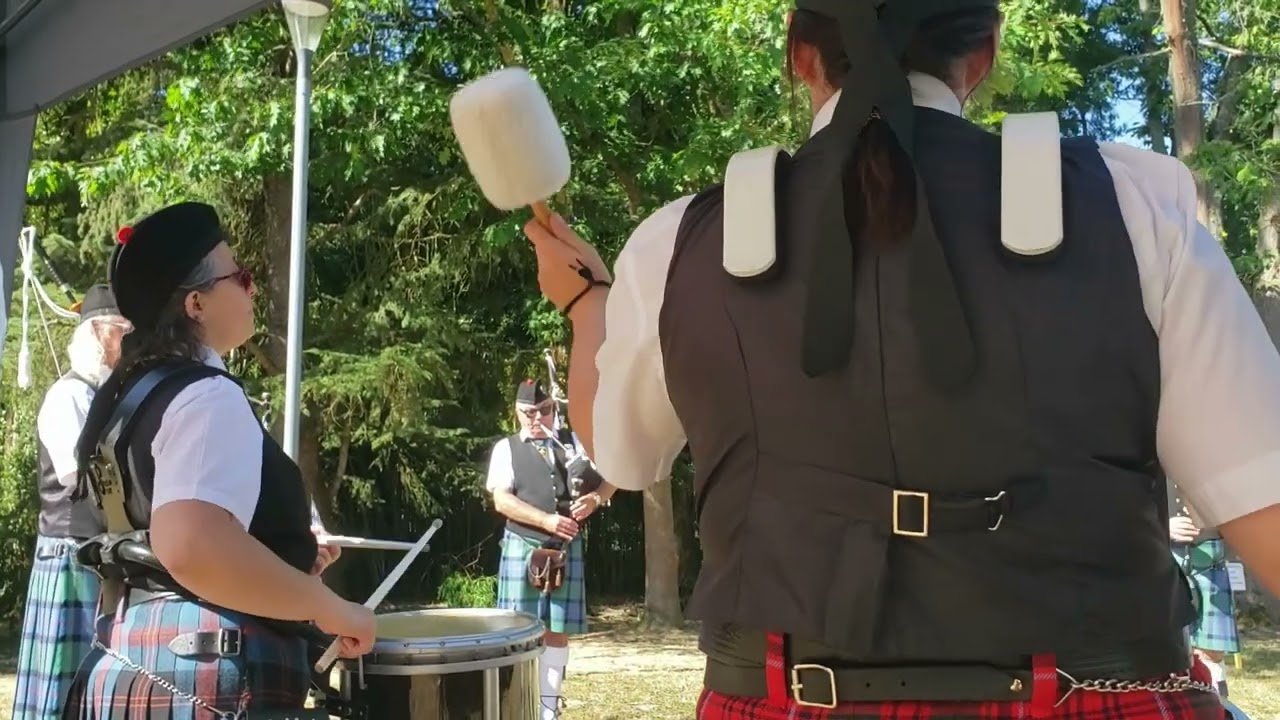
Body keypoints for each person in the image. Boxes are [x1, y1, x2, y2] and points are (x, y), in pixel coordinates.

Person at [522, 1, 1280, 718]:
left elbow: (620, 453)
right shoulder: (1135, 210)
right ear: (983, 53)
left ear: (800, 54)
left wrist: (587, 303)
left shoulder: (677, 245)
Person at [64, 201, 374, 718]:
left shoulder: (130, 395)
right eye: (240, 277)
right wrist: (329, 607)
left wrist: (288, 556)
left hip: (132, 650)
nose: (251, 288)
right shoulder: (207, 395)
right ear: (196, 304)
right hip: (206, 662)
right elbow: (192, 546)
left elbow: (156, 539)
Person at [10, 286, 129, 720]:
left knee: (90, 685)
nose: (129, 341)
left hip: (91, 554)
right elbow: (77, 475)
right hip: (68, 553)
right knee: (60, 690)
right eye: (122, 331)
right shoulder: (69, 396)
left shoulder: (99, 397)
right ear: (97, 333)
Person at [486, 379, 612, 720]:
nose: (536, 419)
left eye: (543, 411)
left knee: (556, 632)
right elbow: (501, 500)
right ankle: (515, 709)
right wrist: (546, 521)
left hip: (565, 550)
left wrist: (596, 498)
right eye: (528, 413)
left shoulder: (575, 443)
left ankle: (547, 711)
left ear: (554, 409)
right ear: (517, 412)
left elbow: (613, 475)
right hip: (522, 546)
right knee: (516, 631)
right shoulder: (507, 449)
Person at [1169, 485, 1241, 696]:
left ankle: (1216, 699)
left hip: (1210, 556)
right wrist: (1161, 525)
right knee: (1171, 643)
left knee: (1211, 651)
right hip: (1164, 556)